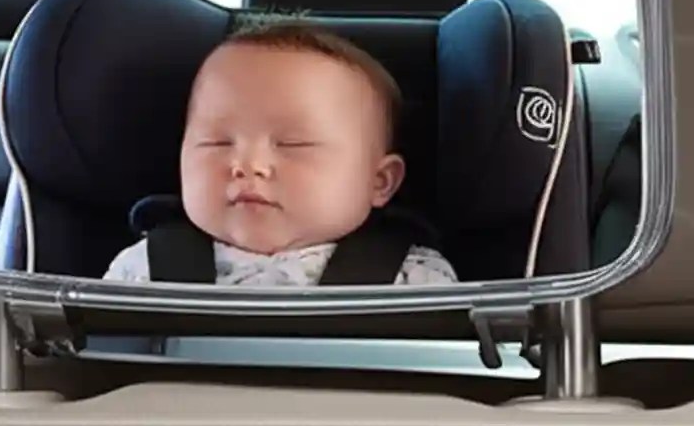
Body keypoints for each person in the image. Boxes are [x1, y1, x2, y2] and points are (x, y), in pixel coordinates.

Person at [103, 17, 457, 286]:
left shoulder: (415, 280)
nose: (248, 165)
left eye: (293, 144)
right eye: (218, 142)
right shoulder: (143, 271)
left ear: (378, 182)